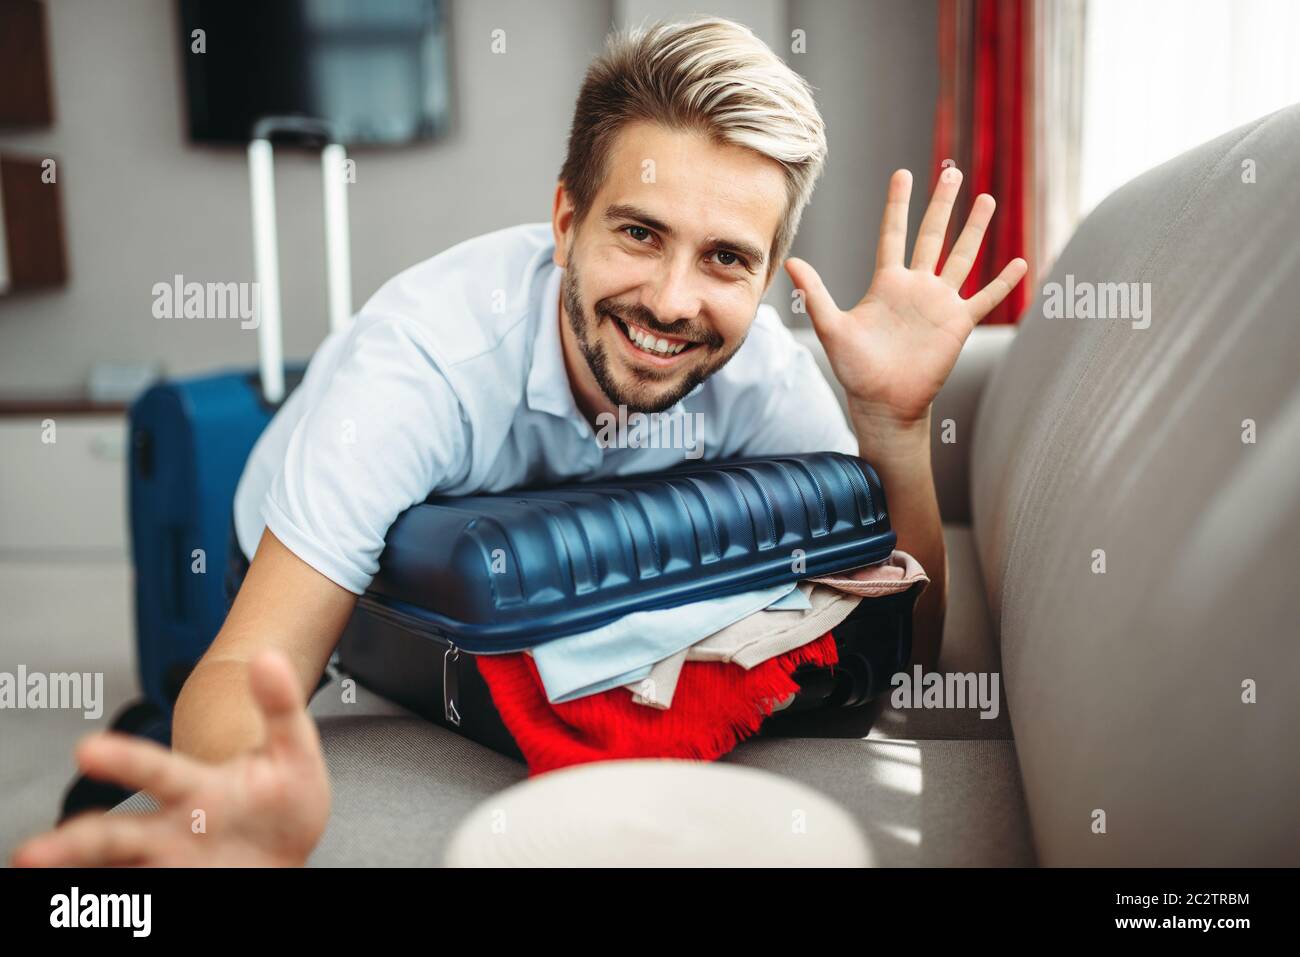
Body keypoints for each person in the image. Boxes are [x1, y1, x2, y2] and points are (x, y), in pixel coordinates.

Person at [12, 16, 1025, 867]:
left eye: (724, 258)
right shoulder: (420, 364)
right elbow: (248, 664)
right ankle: (120, 754)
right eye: (638, 233)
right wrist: (234, 809)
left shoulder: (760, 368)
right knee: (198, 705)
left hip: (533, 569)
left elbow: (908, 650)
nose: (673, 301)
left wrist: (891, 428)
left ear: (764, 280)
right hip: (288, 545)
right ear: (565, 221)